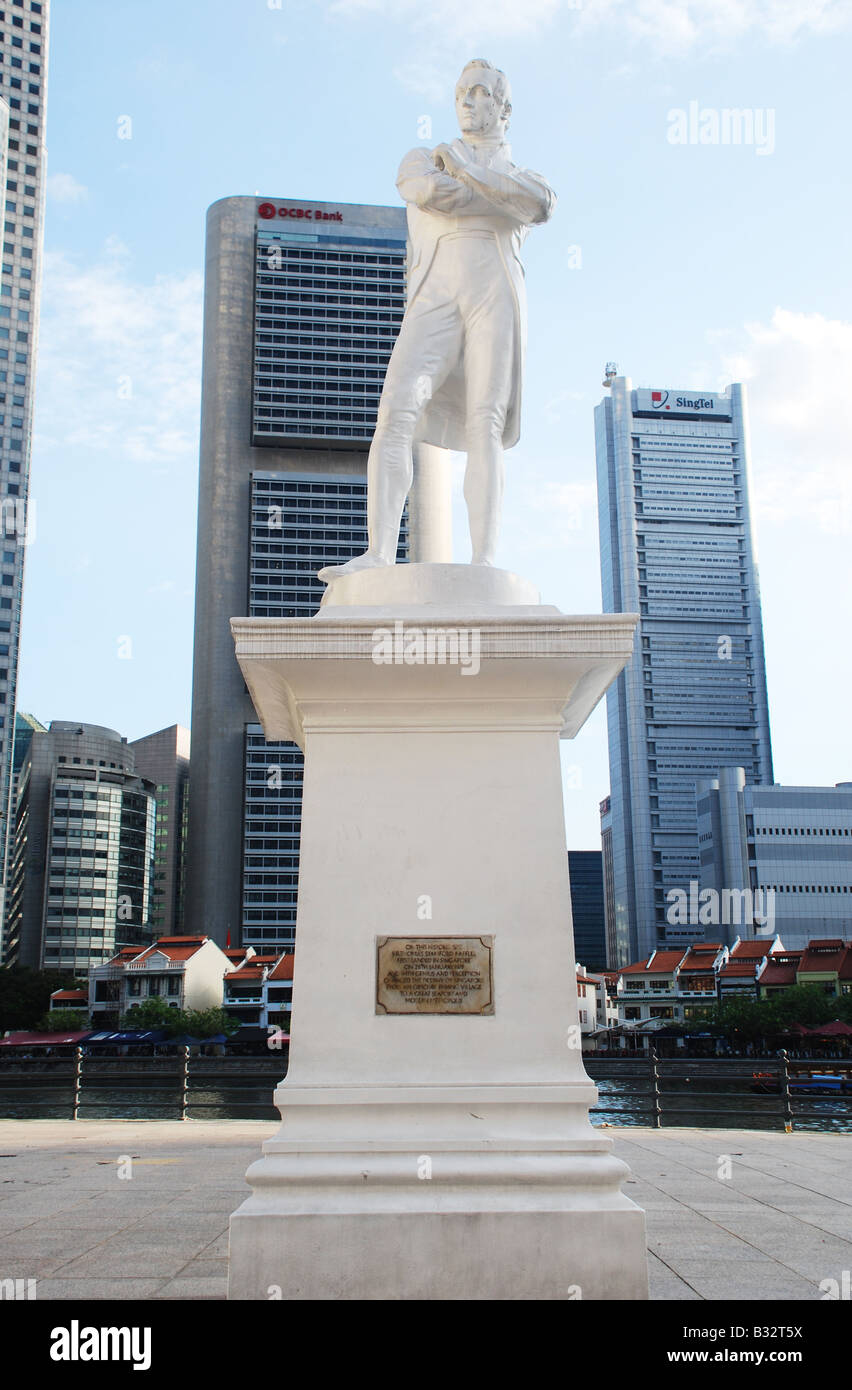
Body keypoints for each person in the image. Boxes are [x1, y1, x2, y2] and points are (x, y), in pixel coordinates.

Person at [318, 58, 555, 581]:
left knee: (485, 421)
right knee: (396, 407)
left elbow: (537, 205)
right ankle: (378, 553)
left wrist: (469, 172)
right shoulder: (423, 158)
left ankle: (484, 562)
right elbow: (427, 191)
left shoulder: (525, 177)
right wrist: (493, 196)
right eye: (461, 93)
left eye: (480, 93)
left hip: (494, 290)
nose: (468, 103)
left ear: (504, 108)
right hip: (436, 293)